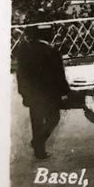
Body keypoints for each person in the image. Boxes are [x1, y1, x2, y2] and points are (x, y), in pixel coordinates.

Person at [13, 25, 70, 160]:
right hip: (49, 92)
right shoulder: (51, 50)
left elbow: (20, 74)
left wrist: (23, 91)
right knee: (54, 118)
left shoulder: (24, 51)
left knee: (36, 121)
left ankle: (39, 151)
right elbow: (59, 74)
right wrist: (65, 91)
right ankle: (38, 140)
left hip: (33, 92)